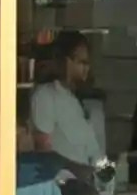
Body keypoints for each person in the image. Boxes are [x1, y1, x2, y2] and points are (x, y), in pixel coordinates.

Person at [31, 32, 106, 181]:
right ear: (66, 62)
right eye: (81, 62)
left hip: (89, 187)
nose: (86, 69)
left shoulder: (81, 103)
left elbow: (96, 154)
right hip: (61, 187)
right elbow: (43, 152)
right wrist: (77, 170)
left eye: (88, 64)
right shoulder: (46, 97)